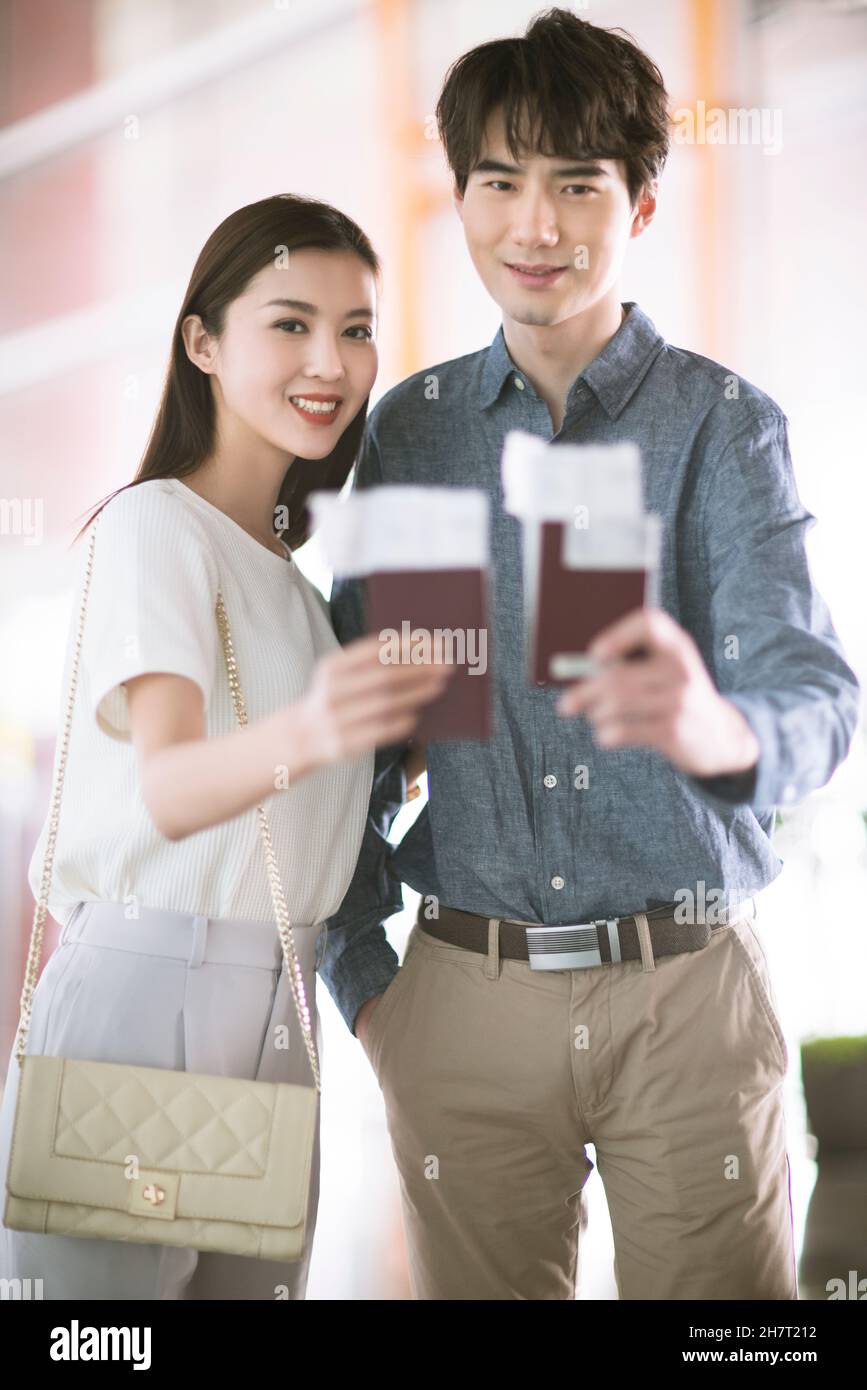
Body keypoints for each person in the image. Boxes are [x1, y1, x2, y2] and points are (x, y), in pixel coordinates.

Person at [317, 10, 861, 1300]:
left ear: (644, 203)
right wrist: (370, 986)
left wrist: (710, 728)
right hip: (462, 997)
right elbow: (367, 737)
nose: (536, 226)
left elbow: (815, 702)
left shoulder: (721, 430)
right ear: (459, 198)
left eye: (576, 184)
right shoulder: (419, 434)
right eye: (499, 182)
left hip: (687, 997)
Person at [0, 194, 450, 1300]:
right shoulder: (155, 525)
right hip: (150, 991)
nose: (331, 361)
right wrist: (324, 725)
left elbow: (309, 833)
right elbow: (170, 787)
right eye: (290, 323)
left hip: (282, 1007)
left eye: (354, 329)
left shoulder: (302, 600)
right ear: (203, 341)